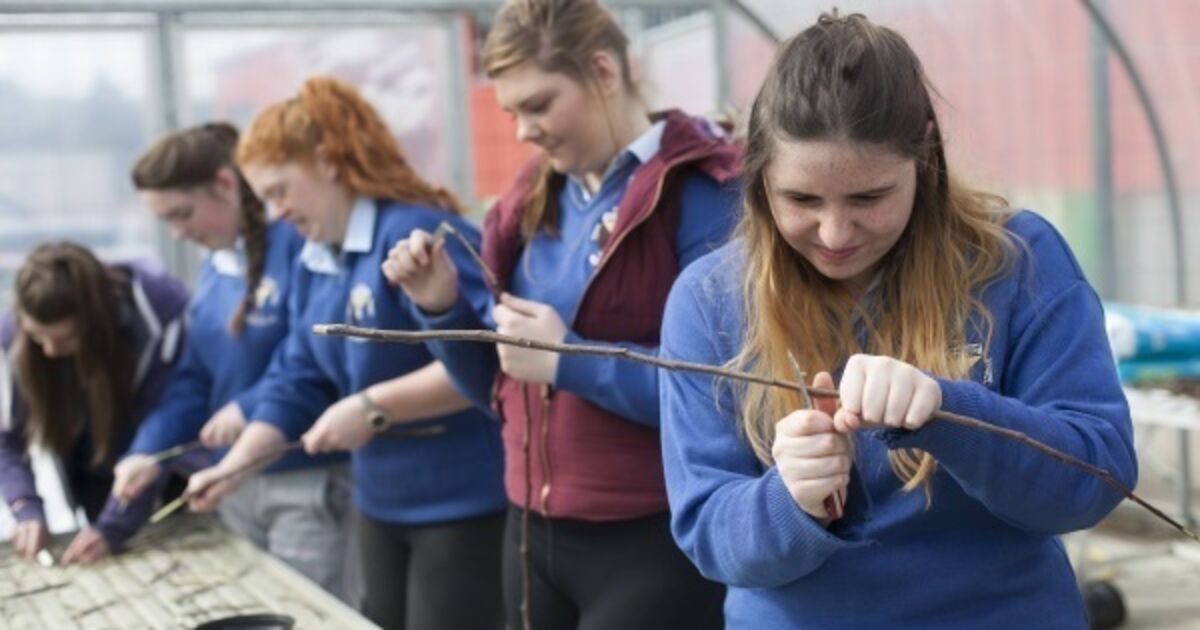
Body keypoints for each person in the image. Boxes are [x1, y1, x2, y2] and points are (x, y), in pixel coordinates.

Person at [657, 12, 1138, 628]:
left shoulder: (1017, 261)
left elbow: (1097, 476)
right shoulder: (709, 299)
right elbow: (707, 533)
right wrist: (789, 501)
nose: (834, 233)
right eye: (801, 200)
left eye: (869, 197)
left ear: (925, 160)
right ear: (758, 184)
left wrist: (950, 411)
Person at [383, 0, 738, 627]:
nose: (523, 131)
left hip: (651, 538)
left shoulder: (702, 194)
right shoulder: (530, 203)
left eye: (540, 104)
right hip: (531, 535)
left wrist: (570, 359)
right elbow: (498, 390)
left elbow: (728, 393)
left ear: (603, 71)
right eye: (512, 111)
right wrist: (440, 307)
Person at [184, 76, 507, 630]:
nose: (277, 211)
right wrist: (238, 465)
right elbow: (298, 372)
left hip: (461, 504)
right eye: (265, 199)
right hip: (379, 503)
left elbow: (483, 362)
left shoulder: (416, 232)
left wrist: (370, 406)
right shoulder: (320, 257)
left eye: (281, 190)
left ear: (329, 161)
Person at [112, 122, 351, 598]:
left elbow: (314, 358)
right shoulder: (215, 270)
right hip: (235, 486)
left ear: (225, 184)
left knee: (310, 609)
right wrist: (147, 451)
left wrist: (247, 406)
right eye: (168, 222)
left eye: (183, 213)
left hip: (304, 476)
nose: (179, 232)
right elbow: (194, 380)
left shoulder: (303, 245)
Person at [1, 241, 188, 564]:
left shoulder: (155, 314)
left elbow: (167, 417)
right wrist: (24, 505)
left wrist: (115, 525)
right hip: (89, 467)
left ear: (96, 322)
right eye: (37, 337)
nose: (49, 351)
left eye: (65, 339)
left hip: (161, 467)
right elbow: (5, 436)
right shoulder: (12, 338)